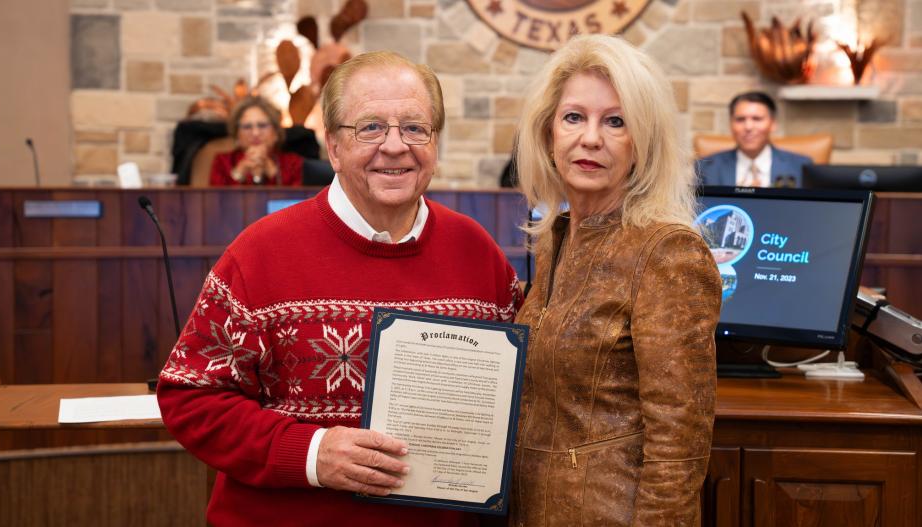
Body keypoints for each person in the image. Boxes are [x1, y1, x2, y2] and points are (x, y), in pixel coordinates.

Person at [158, 51, 523, 526]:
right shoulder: (261, 252)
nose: (395, 146)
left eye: (415, 128)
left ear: (435, 142)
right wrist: (312, 453)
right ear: (332, 146)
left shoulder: (477, 253)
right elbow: (190, 397)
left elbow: (520, 397)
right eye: (370, 127)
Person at [510, 35, 721, 526]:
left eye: (615, 121)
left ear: (642, 144)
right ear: (548, 134)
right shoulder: (557, 239)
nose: (590, 138)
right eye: (574, 117)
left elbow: (679, 446)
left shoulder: (668, 251)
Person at [697, 91, 812, 187]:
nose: (748, 127)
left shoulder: (800, 166)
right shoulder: (707, 168)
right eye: (740, 119)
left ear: (773, 124)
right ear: (731, 124)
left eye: (757, 119)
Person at [210, 96, 305, 186]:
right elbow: (215, 196)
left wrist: (272, 171)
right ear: (237, 134)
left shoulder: (293, 163)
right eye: (247, 127)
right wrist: (239, 172)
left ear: (276, 132)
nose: (255, 133)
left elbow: (296, 196)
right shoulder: (222, 162)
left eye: (262, 125)